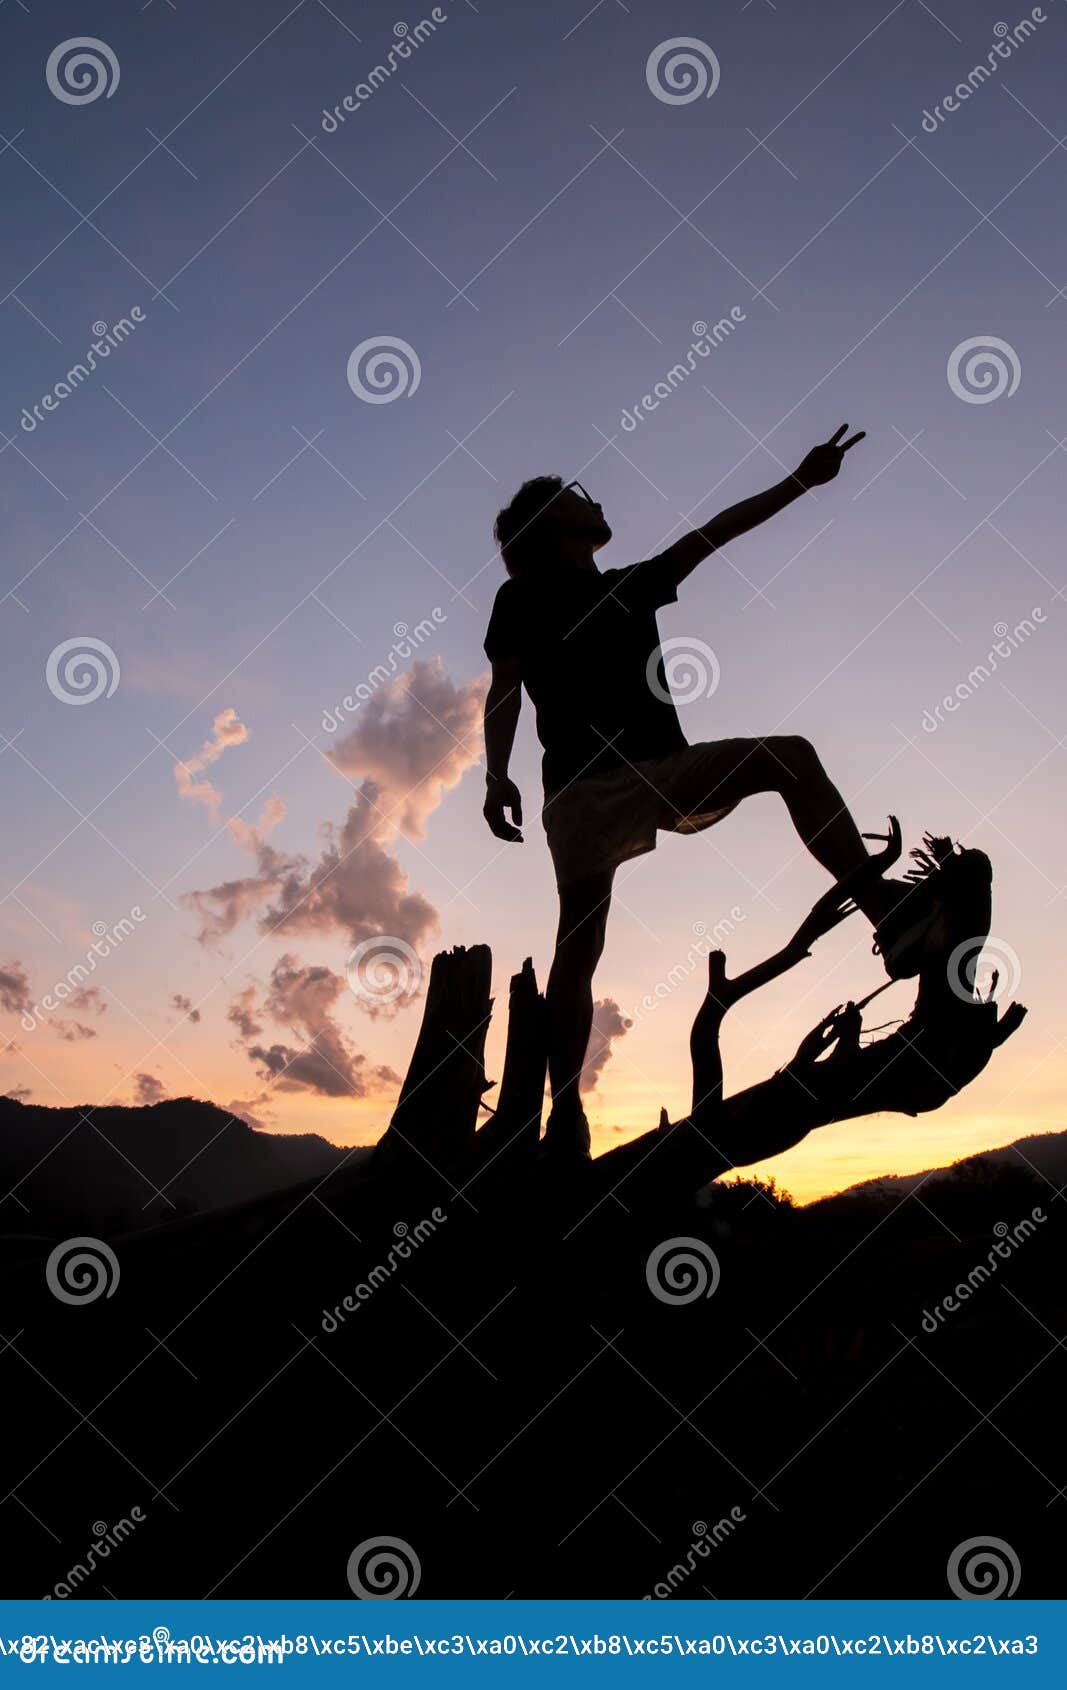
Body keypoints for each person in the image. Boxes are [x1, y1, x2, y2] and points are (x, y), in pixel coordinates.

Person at [482, 427, 940, 1153]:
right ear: (556, 526)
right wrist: (493, 771)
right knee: (786, 762)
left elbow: (714, 533)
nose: (594, 499)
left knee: (579, 947)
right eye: (577, 498)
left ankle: (564, 1115)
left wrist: (799, 482)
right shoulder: (526, 596)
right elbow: (504, 689)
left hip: (592, 792)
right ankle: (887, 914)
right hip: (601, 786)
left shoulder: (625, 586)